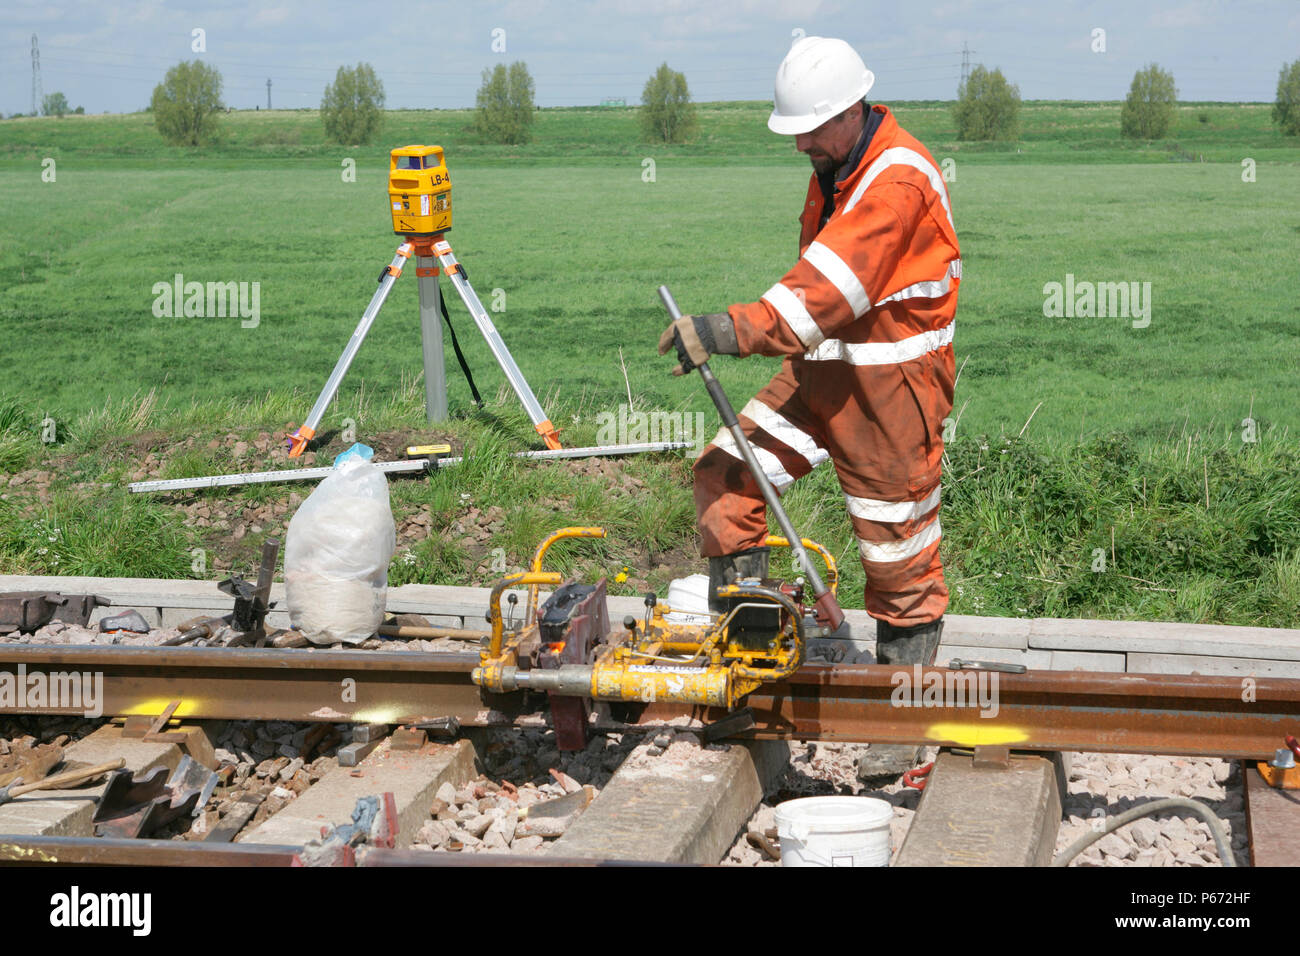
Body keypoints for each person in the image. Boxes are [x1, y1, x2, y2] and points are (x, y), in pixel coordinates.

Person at [658, 36, 960, 784]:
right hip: (819, 372)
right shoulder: (837, 163)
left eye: (810, 128)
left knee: (898, 557)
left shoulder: (895, 182)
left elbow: (823, 291)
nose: (798, 143)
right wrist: (766, 334)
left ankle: (898, 725)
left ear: (852, 109)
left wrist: (728, 329)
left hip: (890, 387)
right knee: (728, 475)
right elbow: (815, 302)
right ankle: (746, 687)